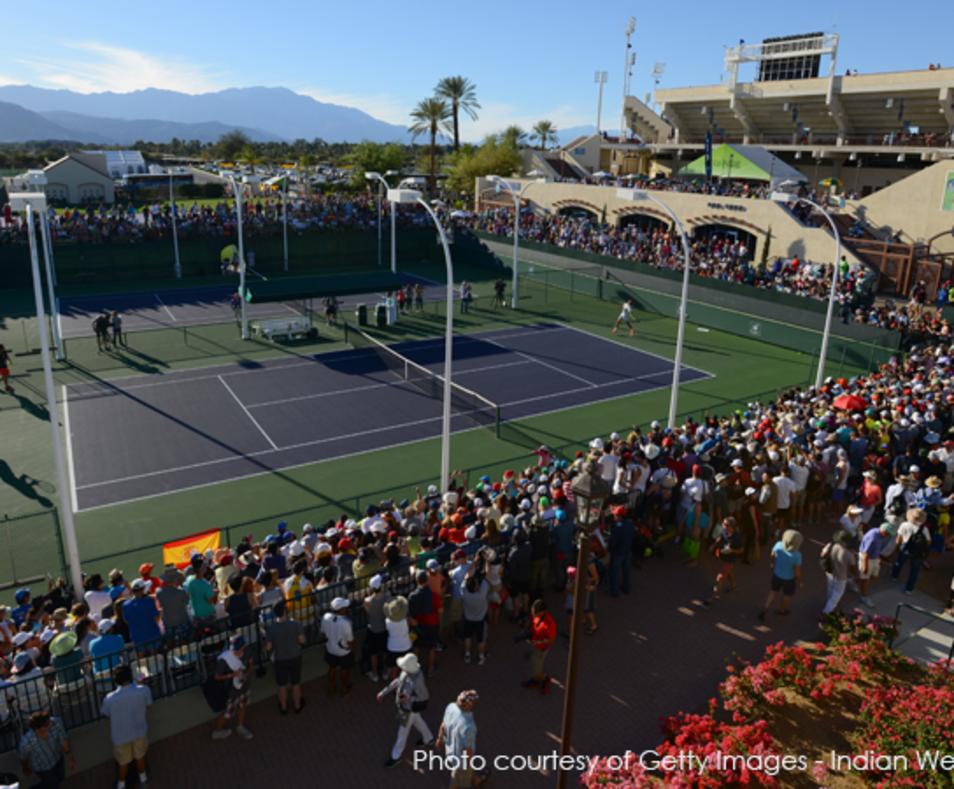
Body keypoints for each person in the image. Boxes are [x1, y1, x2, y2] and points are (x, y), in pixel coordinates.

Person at [377, 652, 434, 768]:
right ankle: (428, 738)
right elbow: (398, 681)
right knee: (418, 720)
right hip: (408, 708)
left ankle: (395, 756)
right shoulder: (407, 672)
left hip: (407, 709)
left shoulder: (417, 681)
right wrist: (384, 692)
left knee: (402, 734)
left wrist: (408, 698)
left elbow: (424, 696)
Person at [101, 665, 152, 789]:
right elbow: (148, 703)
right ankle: (143, 779)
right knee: (140, 757)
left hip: (120, 737)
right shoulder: (143, 690)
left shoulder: (109, 699)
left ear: (116, 681)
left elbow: (105, 713)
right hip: (139, 732)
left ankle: (121, 784)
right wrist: (140, 679)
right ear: (130, 677)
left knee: (123, 763)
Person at [265, 600, 306, 714]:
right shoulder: (296, 624)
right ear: (285, 610)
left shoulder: (271, 628)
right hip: (295, 656)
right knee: (296, 683)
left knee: (282, 685)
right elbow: (302, 640)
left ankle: (283, 708)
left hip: (280, 659)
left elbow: (268, 648)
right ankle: (297, 706)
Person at [436, 689, 481, 788]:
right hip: (460, 762)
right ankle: (473, 780)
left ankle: (476, 780)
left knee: (463, 775)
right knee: (458, 784)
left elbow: (443, 725)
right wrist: (466, 768)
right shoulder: (469, 726)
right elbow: (468, 752)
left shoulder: (451, 707)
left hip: (450, 751)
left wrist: (439, 739)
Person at [212, 634, 253, 741]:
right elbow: (216, 677)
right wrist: (231, 675)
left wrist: (246, 673)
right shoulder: (224, 660)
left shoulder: (247, 651)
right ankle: (217, 731)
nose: (237, 652)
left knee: (242, 705)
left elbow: (250, 663)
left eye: (239, 649)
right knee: (228, 712)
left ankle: (240, 726)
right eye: (236, 649)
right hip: (231, 690)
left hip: (243, 685)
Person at [18, 711, 75, 788]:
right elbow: (23, 758)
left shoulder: (56, 723)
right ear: (37, 729)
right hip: (42, 767)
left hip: (57, 758)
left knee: (61, 778)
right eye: (47, 724)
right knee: (53, 784)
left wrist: (70, 758)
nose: (51, 724)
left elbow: (64, 740)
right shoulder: (26, 742)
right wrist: (25, 768)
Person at [758, 529, 803, 621]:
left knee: (772, 592)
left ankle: (765, 608)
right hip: (789, 579)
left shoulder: (778, 545)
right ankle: (782, 610)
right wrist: (799, 580)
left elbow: (772, 554)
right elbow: (797, 571)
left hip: (777, 575)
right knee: (787, 595)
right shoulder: (797, 555)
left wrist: (772, 563)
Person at [891, 508, 931, 594]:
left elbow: (898, 540)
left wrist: (897, 547)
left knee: (899, 562)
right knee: (914, 571)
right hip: (917, 552)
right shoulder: (924, 529)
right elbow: (928, 541)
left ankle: (894, 576)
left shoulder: (904, 525)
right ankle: (909, 589)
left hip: (905, 548)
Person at [321, 597, 354, 695]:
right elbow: (351, 641)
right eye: (345, 607)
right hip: (344, 652)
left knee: (332, 668)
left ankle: (331, 687)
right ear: (341, 609)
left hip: (330, 649)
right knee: (344, 669)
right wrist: (353, 649)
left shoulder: (325, 616)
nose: (347, 609)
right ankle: (344, 688)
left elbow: (323, 635)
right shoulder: (346, 622)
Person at [705, 517, 742, 604]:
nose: (722, 525)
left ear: (731, 527)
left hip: (730, 560)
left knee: (720, 578)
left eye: (725, 524)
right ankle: (733, 586)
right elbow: (720, 538)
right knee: (728, 572)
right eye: (723, 523)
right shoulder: (724, 531)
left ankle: (711, 598)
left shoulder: (737, 537)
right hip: (722, 557)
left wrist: (732, 550)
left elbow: (741, 550)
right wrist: (713, 545)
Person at [523, 598, 556, 694]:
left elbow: (550, 641)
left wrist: (538, 642)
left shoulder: (550, 625)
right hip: (535, 646)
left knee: (537, 670)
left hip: (541, 650)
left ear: (543, 612)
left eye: (535, 613)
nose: (533, 615)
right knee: (535, 665)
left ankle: (545, 679)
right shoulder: (537, 615)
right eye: (532, 612)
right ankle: (536, 679)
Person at [858, 522, 895, 606]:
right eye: (888, 533)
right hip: (867, 559)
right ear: (883, 531)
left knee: (874, 576)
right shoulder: (872, 537)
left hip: (875, 557)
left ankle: (855, 581)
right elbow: (865, 553)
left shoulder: (883, 535)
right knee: (865, 579)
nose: (889, 535)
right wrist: (865, 566)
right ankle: (864, 596)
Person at [363, 574, 392, 682]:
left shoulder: (367, 601)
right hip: (384, 629)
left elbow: (368, 612)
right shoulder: (387, 597)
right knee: (385, 651)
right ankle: (385, 672)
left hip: (373, 630)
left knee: (373, 653)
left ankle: (375, 674)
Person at [821, 529, 857, 615]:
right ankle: (827, 611)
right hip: (841, 576)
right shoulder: (849, 554)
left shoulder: (831, 545)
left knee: (830, 589)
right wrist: (855, 575)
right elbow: (852, 568)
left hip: (829, 572)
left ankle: (829, 605)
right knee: (837, 594)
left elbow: (822, 555)